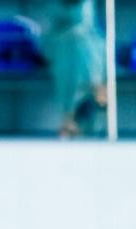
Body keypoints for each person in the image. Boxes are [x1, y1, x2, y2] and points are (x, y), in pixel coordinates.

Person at [43, 0, 106, 138]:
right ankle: (71, 114)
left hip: (87, 44)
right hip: (59, 43)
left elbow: (87, 25)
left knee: (85, 46)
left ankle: (72, 114)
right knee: (72, 49)